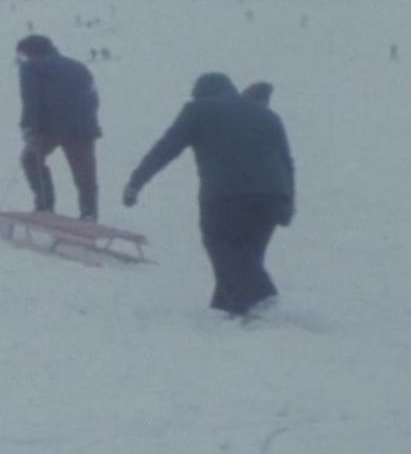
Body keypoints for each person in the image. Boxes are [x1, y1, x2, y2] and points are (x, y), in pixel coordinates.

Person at [123, 73, 294, 317]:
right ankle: (228, 309)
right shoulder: (268, 115)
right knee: (248, 253)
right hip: (272, 196)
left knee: (222, 247)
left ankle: (263, 297)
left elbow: (167, 147)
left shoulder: (199, 109)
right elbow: (286, 161)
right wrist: (288, 200)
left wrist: (136, 182)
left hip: (226, 194)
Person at [16, 34, 101, 220]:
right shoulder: (78, 66)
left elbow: (30, 99)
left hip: (50, 128)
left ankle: (44, 206)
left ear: (29, 52)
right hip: (84, 126)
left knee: (31, 159)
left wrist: (28, 126)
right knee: (84, 173)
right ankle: (89, 214)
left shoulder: (31, 67)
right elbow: (93, 97)